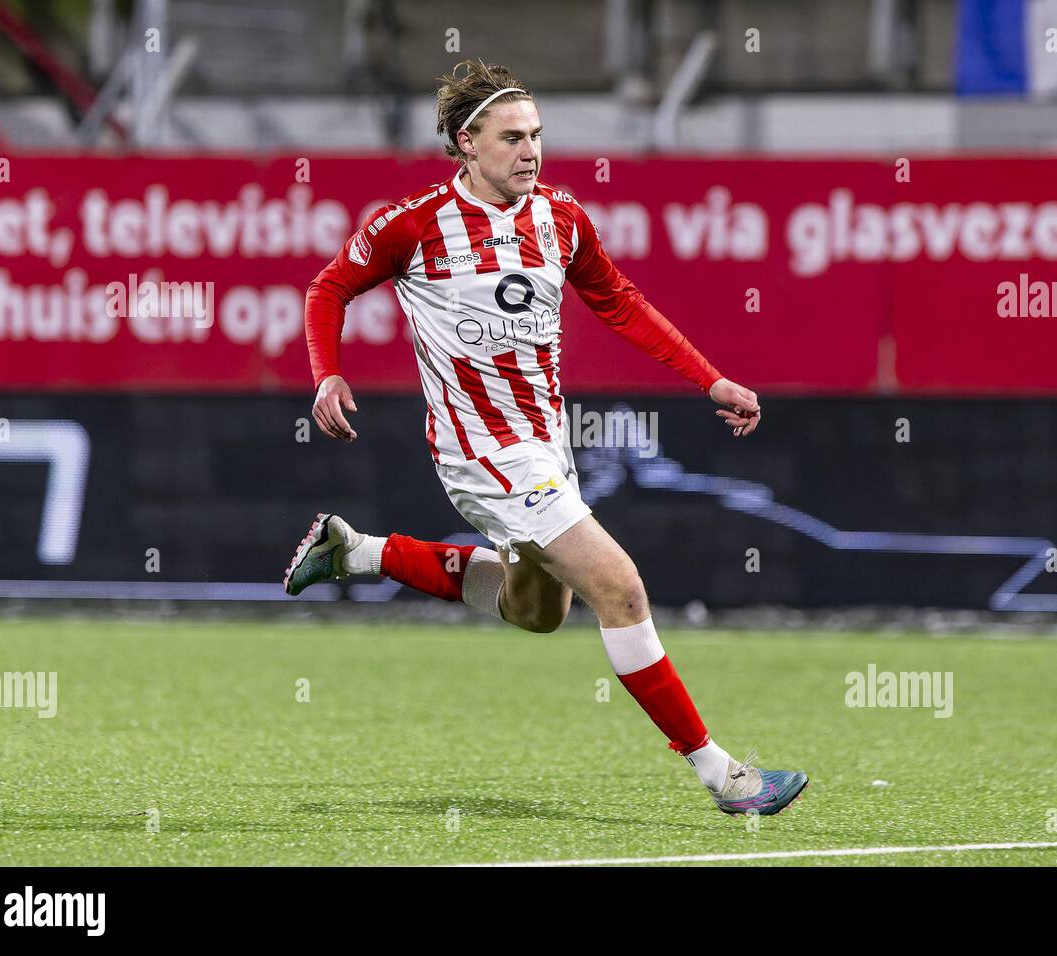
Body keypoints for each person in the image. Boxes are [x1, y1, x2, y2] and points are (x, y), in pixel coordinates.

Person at [284, 59, 806, 815]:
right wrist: (326, 373)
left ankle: (358, 552)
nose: (530, 151)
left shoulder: (560, 218)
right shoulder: (415, 224)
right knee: (620, 588)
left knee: (537, 611)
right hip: (480, 453)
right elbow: (328, 286)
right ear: (467, 142)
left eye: (537, 136)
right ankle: (724, 776)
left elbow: (621, 303)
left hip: (543, 447)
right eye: (511, 138)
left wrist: (710, 379)